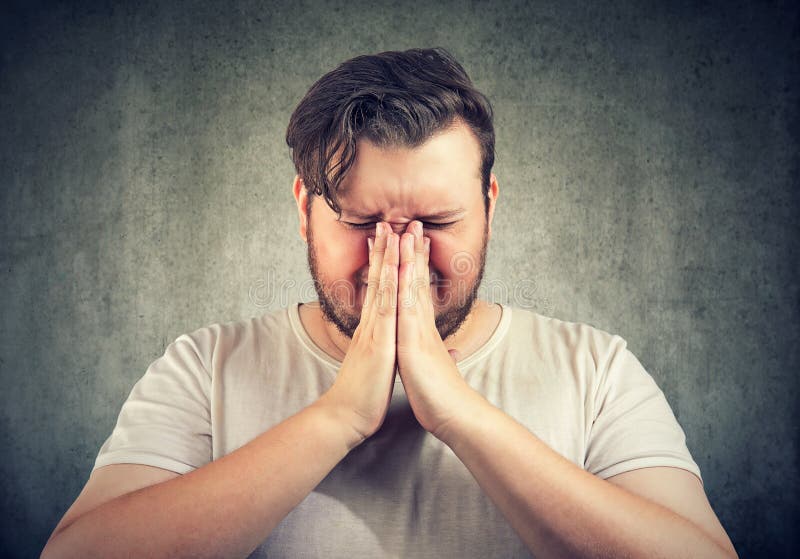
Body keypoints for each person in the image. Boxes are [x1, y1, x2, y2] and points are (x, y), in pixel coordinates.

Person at [42, 48, 738, 558]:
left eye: (437, 224)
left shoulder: (598, 369)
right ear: (303, 210)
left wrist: (459, 412)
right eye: (359, 223)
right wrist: (340, 414)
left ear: (488, 208)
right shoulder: (204, 367)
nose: (398, 257)